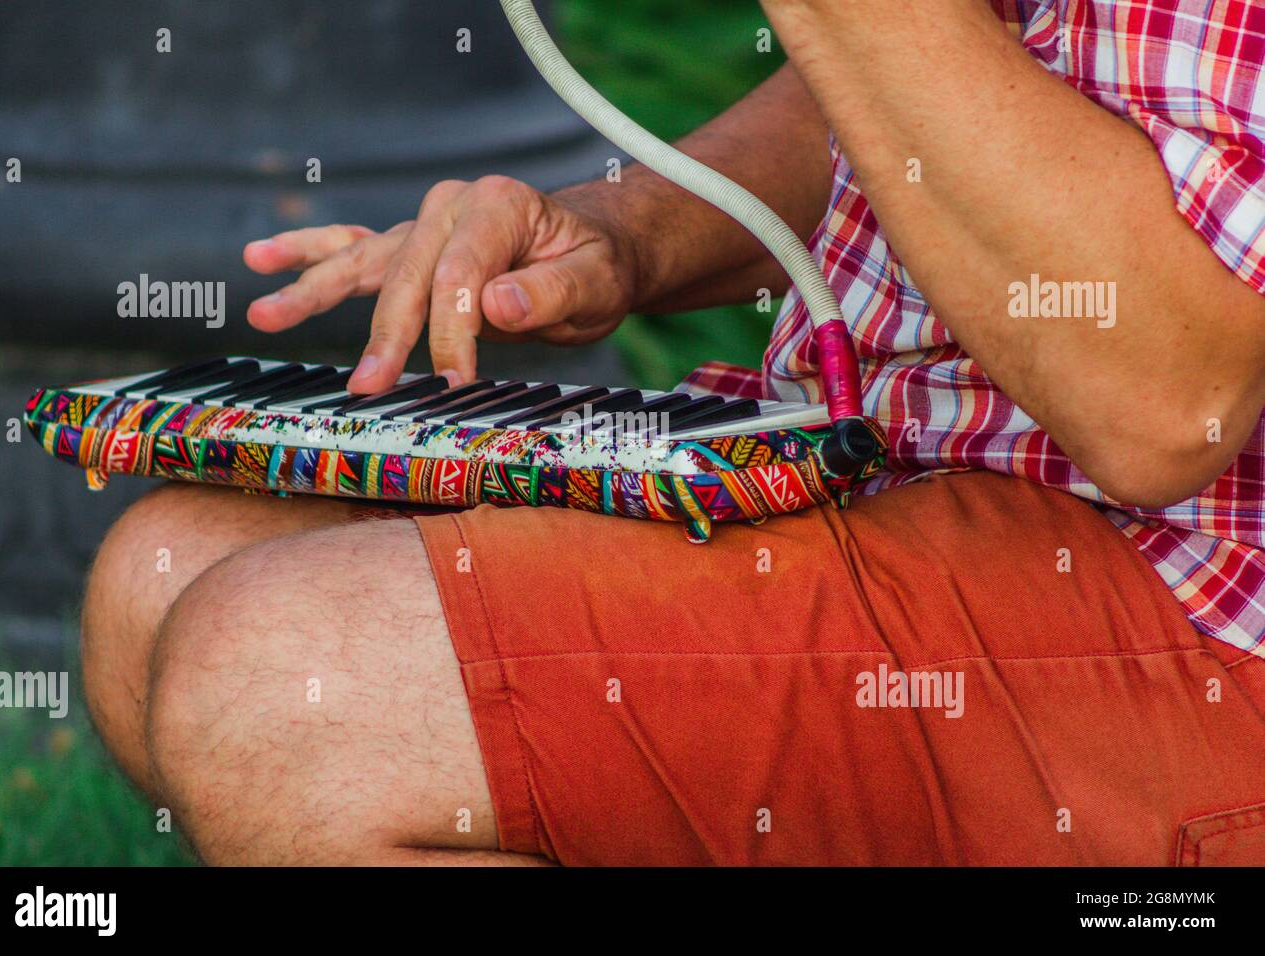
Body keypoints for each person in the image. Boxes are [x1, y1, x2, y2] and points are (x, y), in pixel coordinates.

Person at [82, 0, 1265, 865]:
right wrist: (622, 233)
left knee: (279, 679)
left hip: (1185, 596)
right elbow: (954, 74)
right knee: (160, 575)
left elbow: (1166, 405)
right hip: (905, 467)